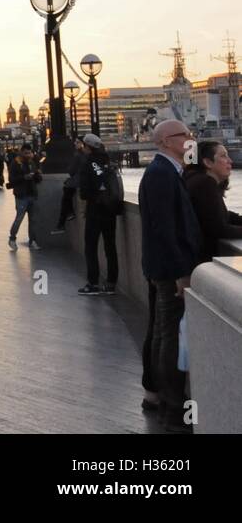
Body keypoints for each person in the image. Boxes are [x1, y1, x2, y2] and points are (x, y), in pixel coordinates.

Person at [138, 120, 202, 433]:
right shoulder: (162, 174)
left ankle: (167, 404)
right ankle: (174, 408)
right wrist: (180, 272)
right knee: (170, 337)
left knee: (166, 334)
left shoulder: (164, 172)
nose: (190, 139)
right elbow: (164, 227)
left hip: (163, 266)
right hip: (169, 270)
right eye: (184, 135)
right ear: (166, 141)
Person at [184, 138, 242, 262]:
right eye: (223, 156)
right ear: (208, 163)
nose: (230, 161)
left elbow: (220, 215)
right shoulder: (204, 183)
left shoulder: (194, 180)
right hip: (200, 262)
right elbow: (218, 228)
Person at [76, 134, 120, 294]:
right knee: (110, 247)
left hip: (95, 209)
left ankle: (93, 284)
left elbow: (84, 192)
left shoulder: (87, 163)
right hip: (110, 210)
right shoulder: (108, 161)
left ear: (88, 147)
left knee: (91, 247)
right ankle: (111, 284)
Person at [7, 146, 42, 250]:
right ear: (21, 152)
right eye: (26, 153)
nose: (28, 155)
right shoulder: (15, 163)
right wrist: (24, 177)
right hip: (21, 195)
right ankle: (12, 239)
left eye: (29, 153)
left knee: (33, 220)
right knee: (19, 219)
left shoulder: (31, 163)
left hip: (32, 194)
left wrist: (37, 175)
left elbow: (38, 178)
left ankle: (33, 241)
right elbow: (11, 179)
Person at [52, 139, 84, 234]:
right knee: (67, 193)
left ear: (83, 144)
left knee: (66, 194)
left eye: (77, 142)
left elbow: (71, 170)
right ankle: (67, 216)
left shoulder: (78, 155)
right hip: (80, 180)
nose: (75, 143)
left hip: (78, 181)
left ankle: (62, 222)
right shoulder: (83, 155)